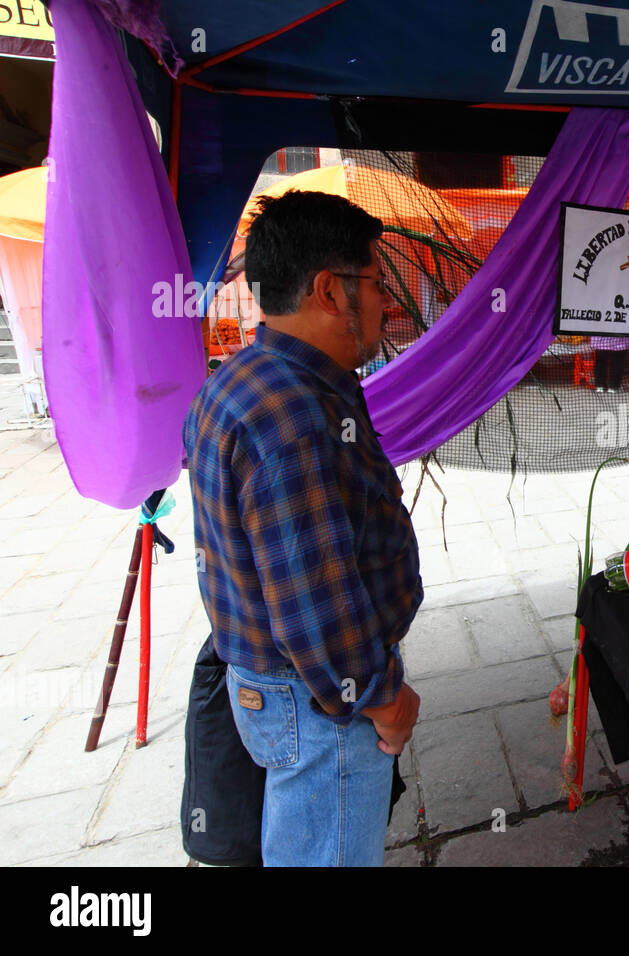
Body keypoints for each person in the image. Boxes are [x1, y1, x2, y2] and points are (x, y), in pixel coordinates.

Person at [184, 191, 423, 866]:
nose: (387, 303)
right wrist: (381, 697)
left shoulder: (244, 380)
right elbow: (314, 602)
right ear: (328, 290)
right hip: (322, 700)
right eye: (375, 284)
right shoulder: (292, 417)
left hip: (281, 688)